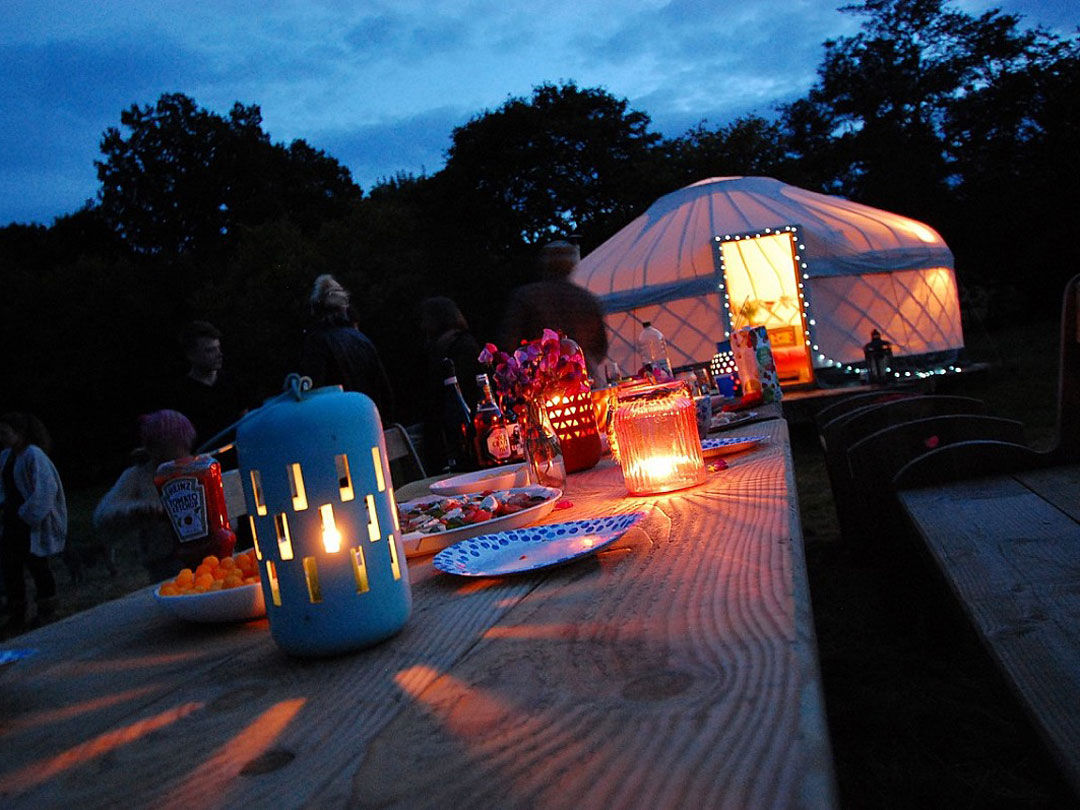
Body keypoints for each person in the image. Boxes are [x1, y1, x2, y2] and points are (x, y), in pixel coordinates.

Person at [92, 410, 195, 582]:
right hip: (164, 565)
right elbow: (102, 515)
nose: (180, 452)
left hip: (206, 557)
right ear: (154, 447)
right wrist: (137, 509)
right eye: (172, 446)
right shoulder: (139, 475)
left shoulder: (199, 468)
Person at [496, 240, 608, 378]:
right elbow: (600, 347)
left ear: (544, 263)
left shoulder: (525, 297)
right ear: (571, 265)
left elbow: (507, 345)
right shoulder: (587, 299)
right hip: (585, 380)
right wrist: (578, 363)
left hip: (543, 385)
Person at [0, 412, 67, 631]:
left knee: (37, 565)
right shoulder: (6, 457)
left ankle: (47, 608)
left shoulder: (33, 455)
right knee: (11, 568)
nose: (2, 437)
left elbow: (46, 489)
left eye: (5, 432)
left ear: (19, 432)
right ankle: (17, 612)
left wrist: (27, 514)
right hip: (11, 520)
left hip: (27, 521)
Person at [300, 274, 396, 421]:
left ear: (317, 307)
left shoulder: (317, 341)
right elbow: (384, 389)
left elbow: (313, 393)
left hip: (339, 426)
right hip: (368, 421)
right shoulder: (362, 340)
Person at [417, 296, 482, 472]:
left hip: (460, 425)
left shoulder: (458, 347)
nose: (423, 326)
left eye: (426, 319)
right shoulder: (446, 346)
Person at [166, 320, 243, 448]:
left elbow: (245, 419)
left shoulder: (231, 381)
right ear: (191, 355)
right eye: (210, 350)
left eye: (218, 348)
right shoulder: (180, 393)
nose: (219, 354)